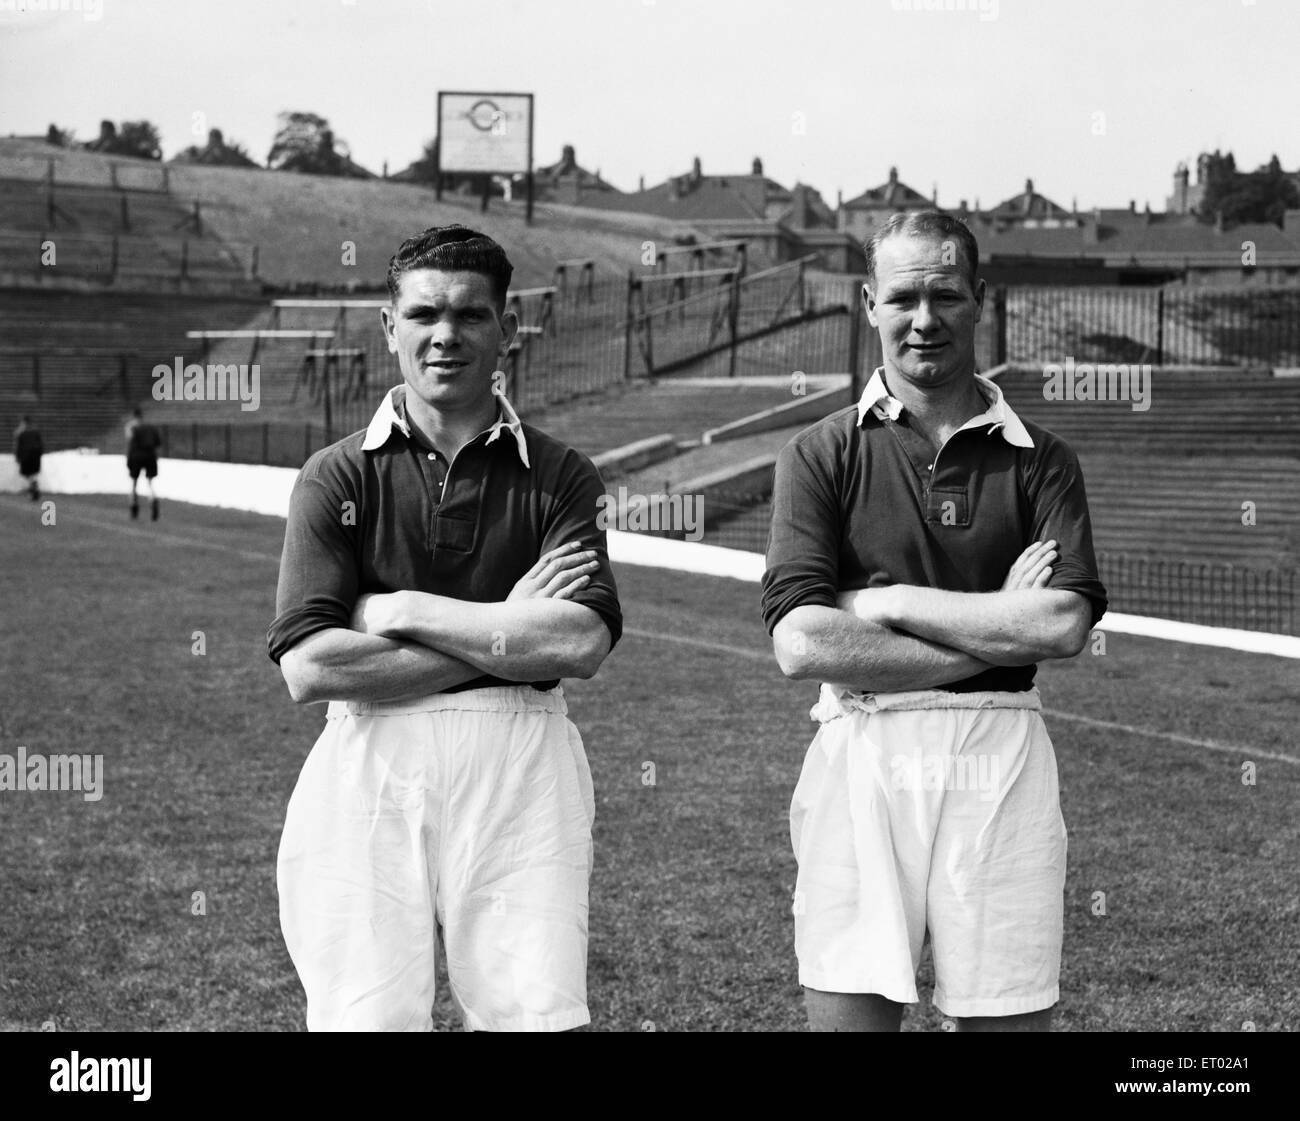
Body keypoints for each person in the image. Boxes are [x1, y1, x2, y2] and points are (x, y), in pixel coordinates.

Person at [267, 224, 622, 1032]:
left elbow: (578, 644)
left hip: (523, 760)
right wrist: (504, 626)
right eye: (423, 313)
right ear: (388, 327)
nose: (446, 334)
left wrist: (400, 611)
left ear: (507, 330)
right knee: (366, 1014)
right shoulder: (336, 472)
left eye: (470, 315)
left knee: (533, 1012)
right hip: (370, 757)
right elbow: (312, 668)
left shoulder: (561, 473)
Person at [761, 210, 1107, 1032]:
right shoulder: (819, 453)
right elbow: (804, 641)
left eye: (945, 294)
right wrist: (995, 631)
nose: (925, 318)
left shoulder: (1042, 459)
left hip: (1003, 758)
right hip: (861, 749)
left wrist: (884, 602)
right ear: (868, 302)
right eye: (904, 296)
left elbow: (1060, 625)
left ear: (978, 299)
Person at [124, 407, 162, 520]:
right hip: (150, 455)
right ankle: (153, 500)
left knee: (134, 483)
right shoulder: (150, 428)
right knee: (150, 483)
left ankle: (134, 507)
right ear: (142, 416)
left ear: (133, 416)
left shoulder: (131, 427)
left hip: (136, 456)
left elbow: (129, 441)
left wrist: (129, 458)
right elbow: (158, 443)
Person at [13, 415, 43, 502]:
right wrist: (40, 454)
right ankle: (33, 490)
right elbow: (41, 444)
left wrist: (17, 457)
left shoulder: (21, 433)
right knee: (33, 473)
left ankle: (33, 487)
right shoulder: (36, 432)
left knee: (26, 473)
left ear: (24, 423)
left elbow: (18, 446)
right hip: (36, 456)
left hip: (25, 456)